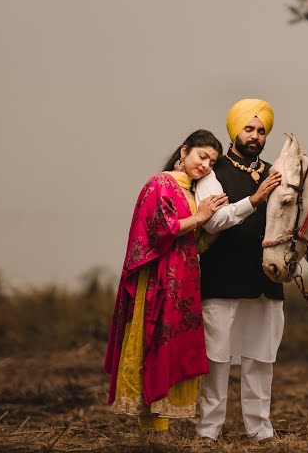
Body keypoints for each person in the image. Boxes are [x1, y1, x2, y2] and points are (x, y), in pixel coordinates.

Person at [104, 130, 229, 434]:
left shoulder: (190, 192)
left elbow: (193, 245)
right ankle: (151, 433)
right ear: (184, 152)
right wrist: (201, 217)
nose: (206, 165)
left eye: (212, 162)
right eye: (202, 156)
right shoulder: (161, 183)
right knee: (153, 345)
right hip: (159, 279)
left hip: (183, 282)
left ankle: (157, 431)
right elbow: (163, 229)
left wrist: (217, 223)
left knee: (170, 351)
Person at [193, 99, 285, 442]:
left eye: (261, 131)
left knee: (262, 359)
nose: (255, 136)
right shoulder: (213, 174)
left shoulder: (276, 172)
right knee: (217, 358)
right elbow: (214, 222)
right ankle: (208, 431)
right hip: (223, 280)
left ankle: (260, 430)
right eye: (249, 128)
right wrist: (255, 199)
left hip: (266, 280)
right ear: (235, 130)